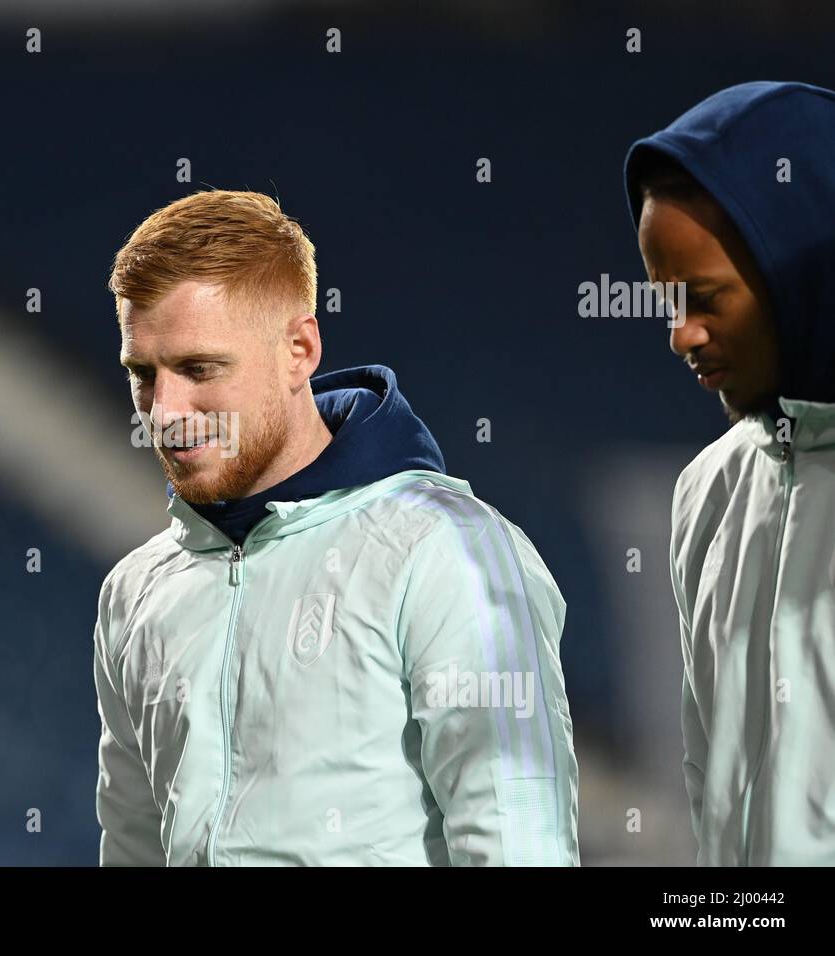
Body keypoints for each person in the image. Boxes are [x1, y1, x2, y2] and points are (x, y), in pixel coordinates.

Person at [93, 189, 578, 865]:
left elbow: (519, 844)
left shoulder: (446, 550)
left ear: (299, 349)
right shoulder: (135, 591)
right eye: (143, 374)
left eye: (199, 368)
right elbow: (134, 848)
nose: (165, 410)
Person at [624, 81, 835, 865]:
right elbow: (707, 778)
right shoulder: (706, 490)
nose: (681, 336)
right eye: (668, 302)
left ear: (802, 275)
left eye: (707, 299)